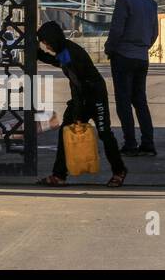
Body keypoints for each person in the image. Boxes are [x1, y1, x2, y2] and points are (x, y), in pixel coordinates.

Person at [35, 21, 127, 187]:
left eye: (46, 43)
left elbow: (80, 85)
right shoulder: (64, 50)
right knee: (65, 132)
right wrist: (38, 53)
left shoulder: (72, 53)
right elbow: (57, 62)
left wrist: (77, 114)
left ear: (53, 39)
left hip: (94, 95)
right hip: (80, 97)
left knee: (104, 133)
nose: (46, 46)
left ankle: (119, 171)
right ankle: (59, 175)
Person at [104, 0, 159, 157]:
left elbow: (117, 29)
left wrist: (110, 48)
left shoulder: (124, 0)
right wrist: (142, 47)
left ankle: (130, 143)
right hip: (142, 57)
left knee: (123, 101)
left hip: (123, 56)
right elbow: (154, 34)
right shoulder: (150, 3)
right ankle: (148, 143)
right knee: (140, 100)